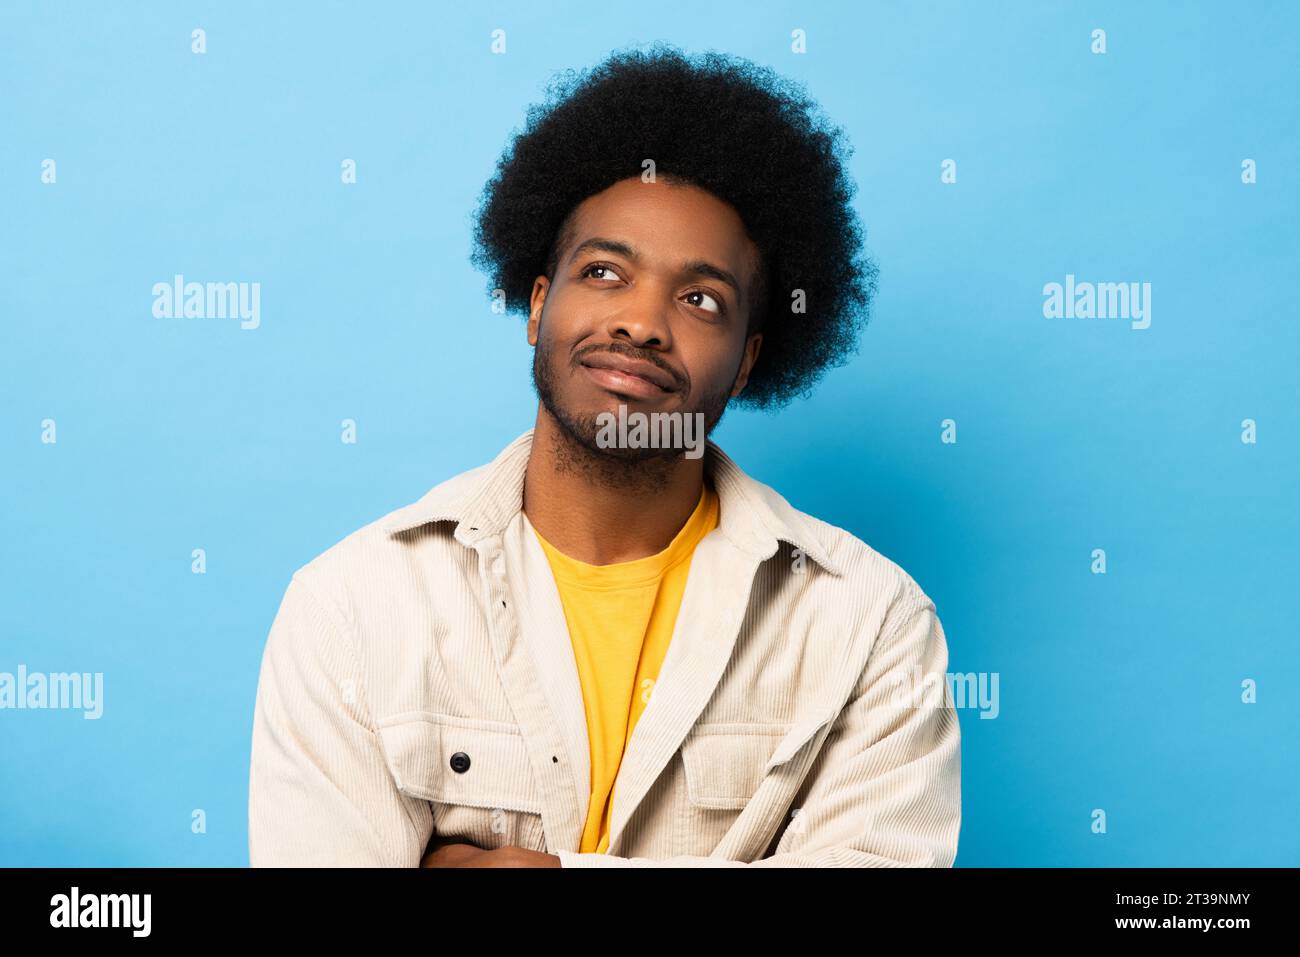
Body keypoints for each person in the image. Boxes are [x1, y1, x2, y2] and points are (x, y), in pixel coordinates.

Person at [248, 43, 961, 867]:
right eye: (604, 272)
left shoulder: (869, 624)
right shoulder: (354, 606)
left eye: (700, 298)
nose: (642, 322)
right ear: (537, 304)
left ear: (748, 359)